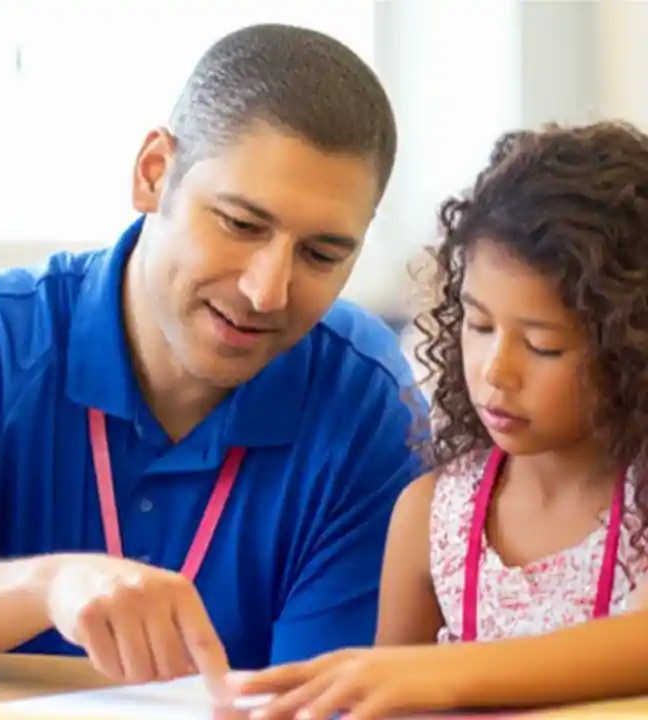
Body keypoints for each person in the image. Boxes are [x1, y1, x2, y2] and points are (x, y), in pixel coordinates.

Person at [0, 23, 422, 698]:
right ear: (153, 173)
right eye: (239, 223)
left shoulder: (368, 403)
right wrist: (48, 585)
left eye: (321, 255)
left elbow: (322, 702)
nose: (267, 290)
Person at [228, 120, 648, 720]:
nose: (495, 371)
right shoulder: (432, 518)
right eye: (478, 326)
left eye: (544, 344)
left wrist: (441, 673)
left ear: (630, 347)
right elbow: (387, 697)